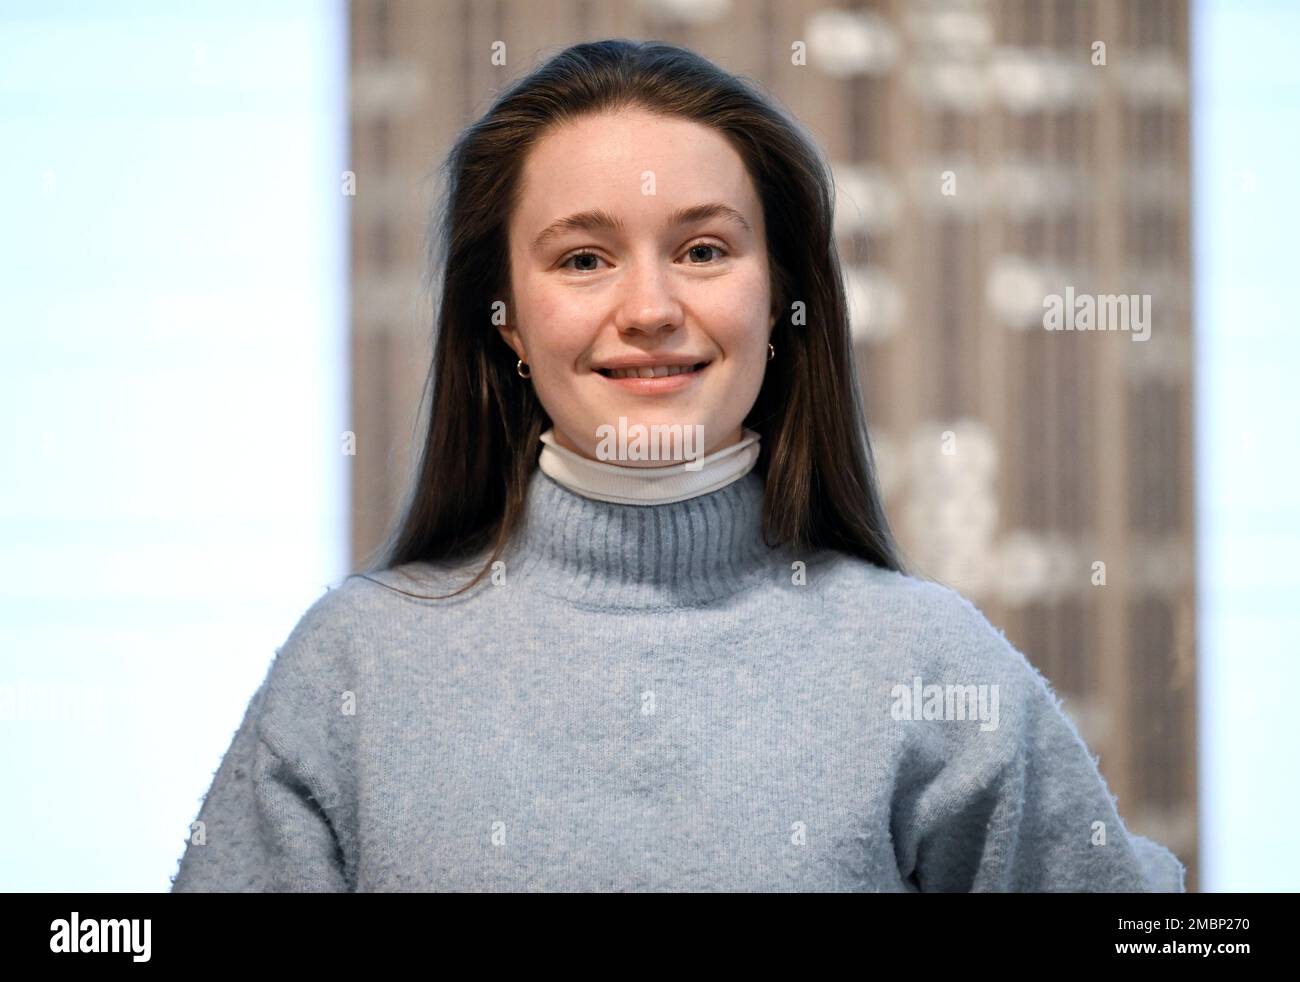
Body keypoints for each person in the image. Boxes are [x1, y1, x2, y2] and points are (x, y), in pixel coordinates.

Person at [171, 38, 1185, 893]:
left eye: (703, 250)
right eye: (582, 258)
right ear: (506, 321)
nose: (651, 308)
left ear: (779, 299)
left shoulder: (923, 659)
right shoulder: (354, 663)